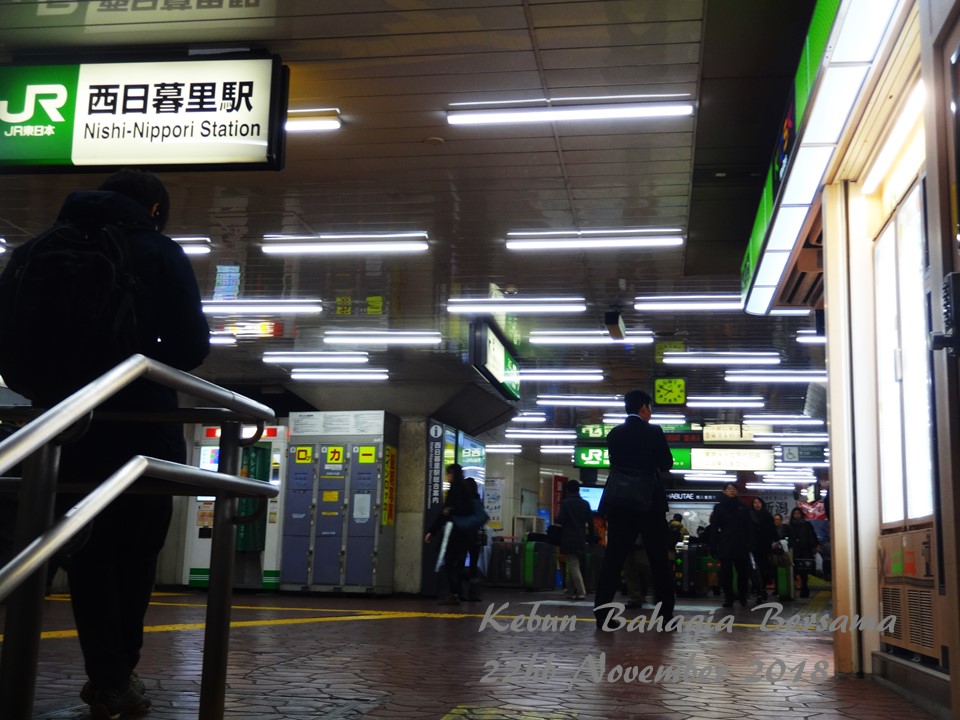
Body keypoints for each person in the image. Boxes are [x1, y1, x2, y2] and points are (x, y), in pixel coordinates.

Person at [0, 169, 211, 718]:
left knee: (63, 547)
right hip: (139, 426)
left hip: (57, 431)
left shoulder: (33, 251)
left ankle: (80, 673)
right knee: (132, 553)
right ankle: (114, 676)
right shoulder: (159, 251)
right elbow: (189, 348)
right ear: (155, 210)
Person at [594, 389, 675, 628]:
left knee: (614, 559)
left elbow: (615, 463)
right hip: (649, 501)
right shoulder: (654, 431)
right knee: (659, 559)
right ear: (643, 408)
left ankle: (603, 615)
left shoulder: (614, 434)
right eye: (649, 408)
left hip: (620, 502)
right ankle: (665, 616)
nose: (650, 413)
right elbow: (666, 463)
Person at [424, 463, 473, 605]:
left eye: (448, 474)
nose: (447, 476)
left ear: (453, 474)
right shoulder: (465, 490)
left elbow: (444, 513)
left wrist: (432, 531)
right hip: (464, 534)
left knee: (450, 562)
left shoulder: (455, 490)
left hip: (454, 534)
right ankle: (457, 592)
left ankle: (454, 593)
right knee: (456, 563)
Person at [709, 483, 751, 608]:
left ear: (737, 491)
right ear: (724, 491)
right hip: (725, 543)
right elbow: (714, 527)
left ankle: (743, 597)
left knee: (743, 573)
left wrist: (750, 543)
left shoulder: (743, 507)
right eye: (729, 489)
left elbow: (749, 527)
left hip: (741, 543)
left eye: (733, 489)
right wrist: (713, 544)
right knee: (726, 574)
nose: (731, 491)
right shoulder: (719, 508)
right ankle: (729, 598)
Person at [556, 480, 594, 600]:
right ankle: (571, 591)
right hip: (581, 538)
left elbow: (561, 519)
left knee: (573, 564)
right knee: (574, 563)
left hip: (568, 538)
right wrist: (591, 537)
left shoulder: (566, 503)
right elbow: (591, 523)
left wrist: (556, 518)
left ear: (568, 490)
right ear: (578, 490)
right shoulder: (585, 504)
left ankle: (582, 591)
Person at [748, 497, 779, 602]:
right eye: (755, 502)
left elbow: (772, 530)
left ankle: (763, 588)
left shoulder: (767, 516)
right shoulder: (748, 516)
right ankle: (759, 590)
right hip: (752, 546)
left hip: (765, 546)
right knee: (754, 569)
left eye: (759, 502)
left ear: (762, 504)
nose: (757, 504)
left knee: (764, 568)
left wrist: (776, 541)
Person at [787, 507, 820, 598]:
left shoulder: (807, 524)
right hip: (795, 551)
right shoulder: (790, 526)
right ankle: (799, 587)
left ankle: (804, 588)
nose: (797, 515)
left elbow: (812, 535)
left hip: (805, 550)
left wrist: (815, 545)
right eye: (795, 514)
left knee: (804, 570)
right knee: (796, 570)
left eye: (798, 513)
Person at [462, 476, 484, 601]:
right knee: (473, 565)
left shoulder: (464, 500)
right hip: (475, 536)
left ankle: (459, 592)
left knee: (459, 562)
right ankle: (474, 594)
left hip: (464, 535)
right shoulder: (477, 500)